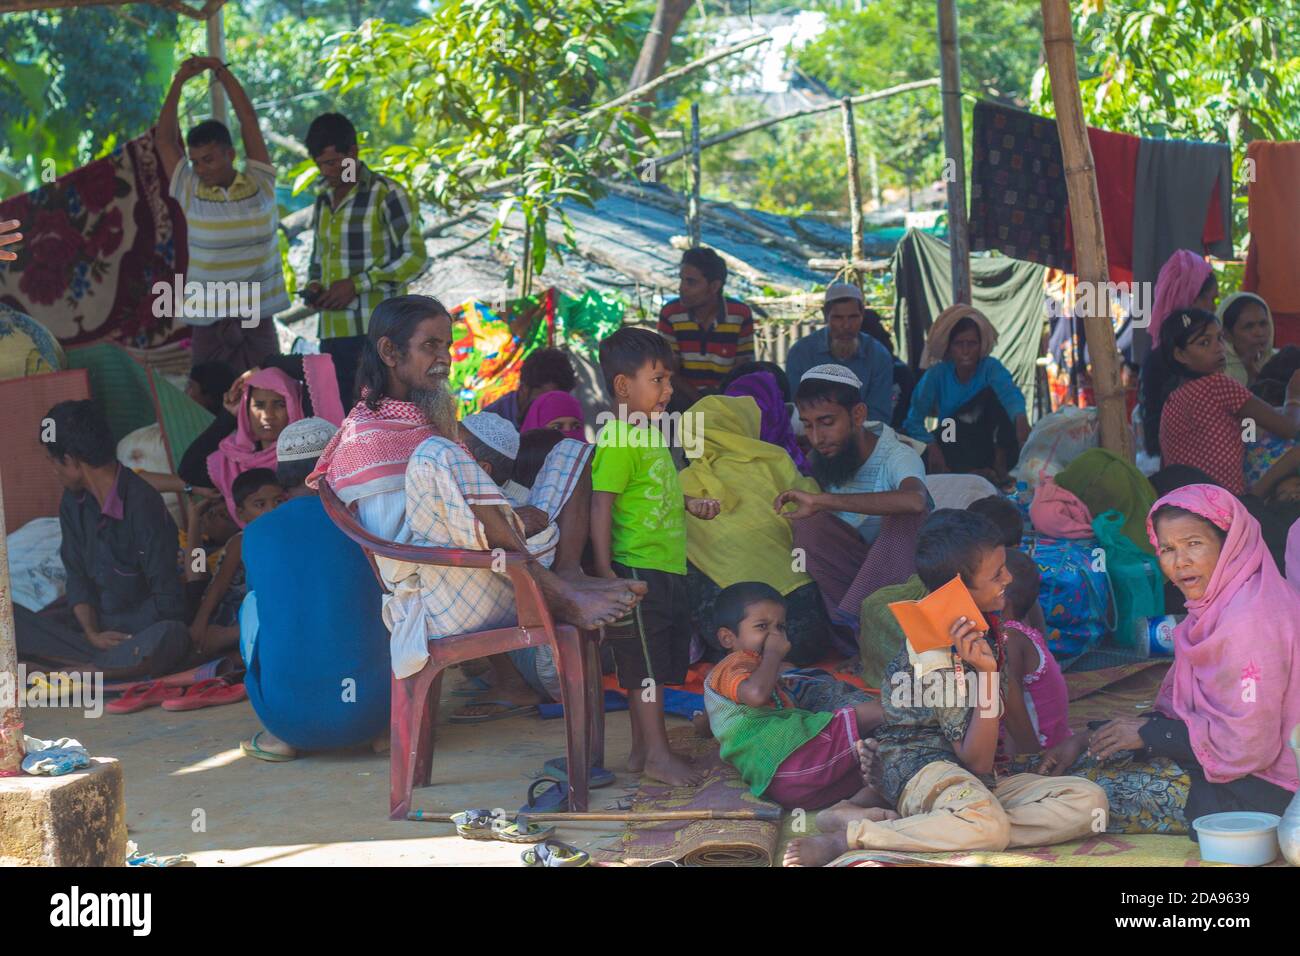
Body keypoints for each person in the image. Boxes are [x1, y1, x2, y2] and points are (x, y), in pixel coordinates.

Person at [784, 510, 1107, 866]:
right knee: (988, 824)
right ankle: (851, 838)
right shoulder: (935, 648)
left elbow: (983, 760)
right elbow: (976, 756)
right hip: (924, 767)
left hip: (973, 782)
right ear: (959, 588)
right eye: (997, 574)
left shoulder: (984, 626)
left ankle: (937, 826)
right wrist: (985, 674)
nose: (1009, 578)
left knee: (1089, 801)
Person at [1033, 485, 1300, 837]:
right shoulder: (1217, 608)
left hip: (1261, 789)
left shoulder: (1250, 620)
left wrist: (1149, 734)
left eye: (1194, 544)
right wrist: (1085, 737)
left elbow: (1248, 746)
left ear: (1230, 544)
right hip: (1231, 768)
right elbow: (1190, 716)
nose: (1180, 561)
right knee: (1078, 771)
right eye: (1168, 548)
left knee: (1077, 795)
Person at [592, 326, 721, 785]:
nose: (669, 390)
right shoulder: (619, 439)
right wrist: (607, 570)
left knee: (656, 665)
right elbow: (602, 502)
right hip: (636, 568)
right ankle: (658, 756)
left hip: (667, 566)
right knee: (642, 668)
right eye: (659, 379)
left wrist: (690, 504)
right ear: (624, 386)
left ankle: (643, 748)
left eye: (669, 380)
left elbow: (652, 494)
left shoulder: (650, 436)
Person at [239, 416, 392, 761]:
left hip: (286, 721)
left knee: (253, 607)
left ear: (282, 475)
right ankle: (387, 734)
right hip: (373, 712)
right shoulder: (365, 522)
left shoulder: (256, 533)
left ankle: (280, 739)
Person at [14, 401, 189, 680]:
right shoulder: (73, 502)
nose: (54, 470)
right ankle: (91, 667)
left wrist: (118, 635)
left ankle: (65, 672)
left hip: (135, 635)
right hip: (94, 637)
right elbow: (77, 576)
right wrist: (93, 633)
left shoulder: (143, 504)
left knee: (171, 635)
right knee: (8, 618)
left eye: (53, 461)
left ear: (71, 461)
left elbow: (169, 603)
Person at [705, 582, 889, 813]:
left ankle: (847, 810)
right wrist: (773, 654)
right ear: (727, 639)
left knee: (879, 774)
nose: (774, 636)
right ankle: (926, 705)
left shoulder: (743, 675)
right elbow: (756, 695)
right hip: (788, 756)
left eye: (780, 627)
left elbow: (711, 715)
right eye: (762, 627)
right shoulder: (734, 664)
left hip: (789, 786)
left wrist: (701, 725)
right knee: (875, 710)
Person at [679, 394, 834, 665]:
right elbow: (818, 508)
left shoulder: (686, 483)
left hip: (735, 642)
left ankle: (710, 653)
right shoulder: (774, 461)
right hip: (804, 630)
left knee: (686, 561)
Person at [775, 365, 930, 635]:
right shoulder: (822, 457)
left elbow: (916, 500)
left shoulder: (897, 455)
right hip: (855, 577)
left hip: (908, 582)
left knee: (905, 516)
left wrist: (824, 501)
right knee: (808, 526)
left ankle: (884, 632)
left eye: (826, 423)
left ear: (858, 415)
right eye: (808, 425)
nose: (816, 438)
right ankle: (859, 636)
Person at [156, 57, 287, 371]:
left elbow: (249, 121)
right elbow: (163, 140)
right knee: (208, 404)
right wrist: (178, 81)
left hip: (257, 316)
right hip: (208, 322)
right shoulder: (190, 188)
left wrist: (221, 71)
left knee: (272, 399)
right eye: (196, 161)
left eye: (209, 159)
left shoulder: (261, 182)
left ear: (230, 154)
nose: (201, 168)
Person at [1143, 307, 1300, 495]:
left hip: (1185, 505)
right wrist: (1293, 396)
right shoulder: (1218, 385)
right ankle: (1252, 501)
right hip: (1227, 505)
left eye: (1219, 338)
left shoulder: (1173, 398)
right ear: (1180, 355)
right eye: (1204, 343)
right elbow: (1289, 428)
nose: (1218, 348)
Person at [302, 112, 429, 338]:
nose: (325, 172)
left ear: (352, 152)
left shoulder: (387, 194)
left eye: (332, 163)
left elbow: (415, 259)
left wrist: (358, 284)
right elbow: (318, 258)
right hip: (332, 333)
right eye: (319, 165)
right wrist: (314, 286)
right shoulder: (323, 199)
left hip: (380, 332)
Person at [902, 305, 1029, 479]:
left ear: (980, 345)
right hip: (952, 441)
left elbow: (1010, 394)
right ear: (950, 347)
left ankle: (998, 466)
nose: (965, 350)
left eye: (972, 344)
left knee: (991, 398)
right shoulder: (937, 375)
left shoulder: (990, 367)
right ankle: (968, 472)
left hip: (989, 443)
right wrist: (932, 446)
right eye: (959, 344)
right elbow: (914, 420)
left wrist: (1020, 418)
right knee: (946, 426)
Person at [187, 468, 284, 658]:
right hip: (222, 609)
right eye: (214, 515)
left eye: (278, 502)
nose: (271, 511)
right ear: (241, 514)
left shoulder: (263, 538)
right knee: (196, 581)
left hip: (247, 608)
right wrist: (195, 522)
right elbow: (213, 584)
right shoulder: (221, 547)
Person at [657, 246, 754, 407]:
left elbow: (742, 369)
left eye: (691, 282)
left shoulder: (739, 314)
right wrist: (702, 402)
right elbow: (669, 372)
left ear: (714, 287)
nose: (681, 288)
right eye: (681, 279)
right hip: (683, 400)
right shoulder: (670, 314)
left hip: (728, 399)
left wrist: (718, 401)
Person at [785, 282, 894, 425]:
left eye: (853, 317)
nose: (846, 326)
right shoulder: (801, 353)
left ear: (862, 316)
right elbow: (796, 409)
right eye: (838, 318)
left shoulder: (878, 356)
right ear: (826, 316)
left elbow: (879, 414)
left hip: (862, 437)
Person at [207, 366, 304, 524]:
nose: (268, 415)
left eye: (280, 404)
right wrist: (229, 416)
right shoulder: (230, 460)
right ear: (245, 410)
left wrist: (263, 365)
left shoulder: (308, 456)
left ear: (294, 408)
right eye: (258, 405)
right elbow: (188, 470)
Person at [998, 549, 1070, 755]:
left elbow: (1013, 710)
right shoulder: (1022, 628)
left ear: (1002, 598)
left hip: (1037, 747)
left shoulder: (1010, 639)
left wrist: (1021, 767)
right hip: (1053, 737)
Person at [722, 369, 811, 475]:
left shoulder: (807, 454)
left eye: (758, 410)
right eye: (739, 411)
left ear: (776, 411)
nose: (747, 419)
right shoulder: (711, 454)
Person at [482, 347, 578, 428]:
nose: (550, 409)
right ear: (524, 389)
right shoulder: (488, 424)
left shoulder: (566, 420)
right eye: (544, 401)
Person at [1218, 292, 1275, 387]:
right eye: (1249, 326)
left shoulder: (1282, 362)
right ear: (1227, 334)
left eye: (1263, 324)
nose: (1259, 333)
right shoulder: (1218, 372)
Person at [519, 390, 585, 442]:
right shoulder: (520, 458)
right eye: (556, 428)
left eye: (576, 427)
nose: (569, 436)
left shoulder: (592, 457)